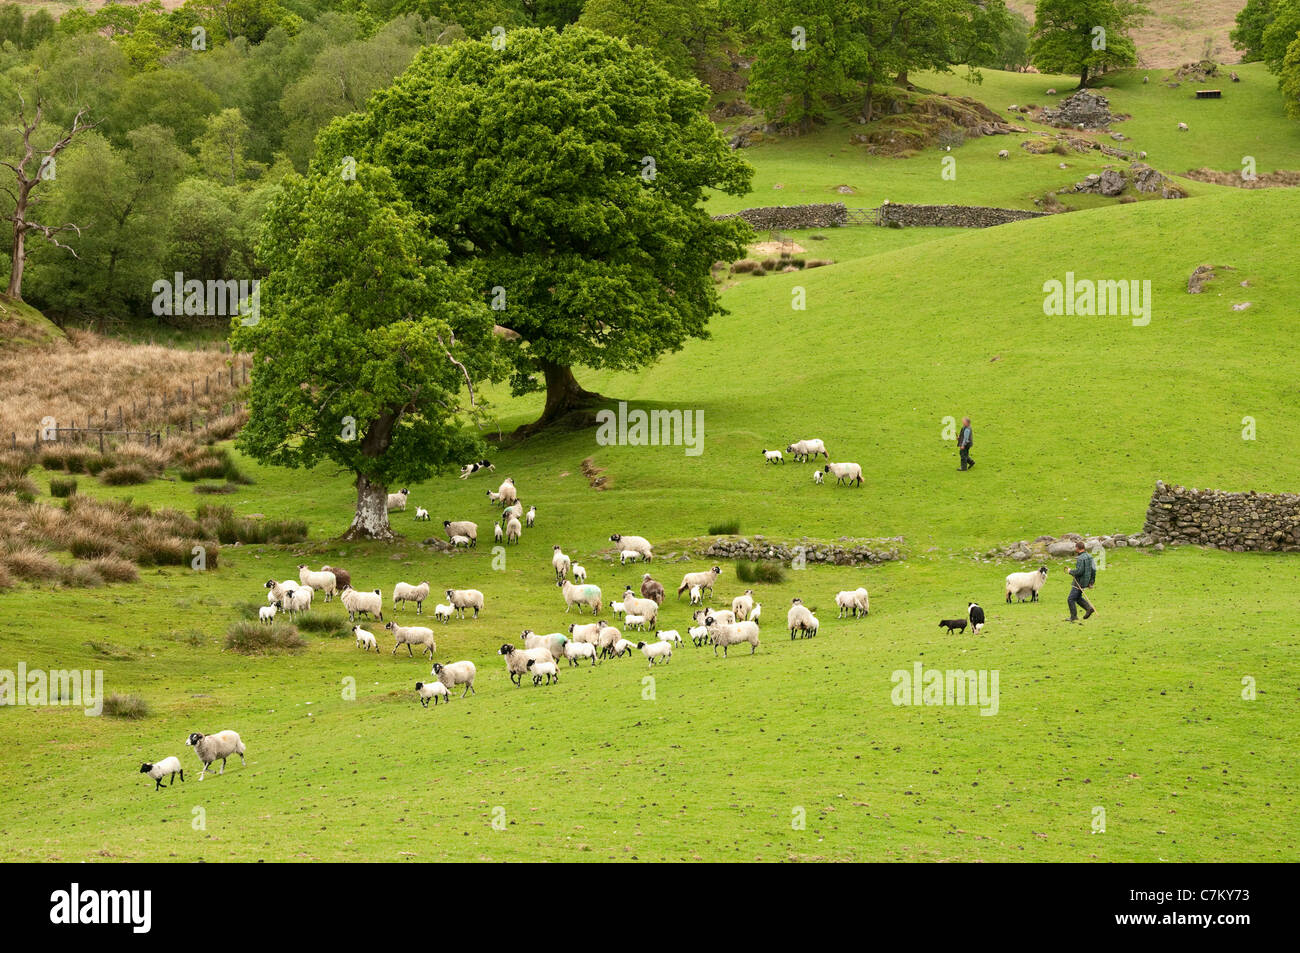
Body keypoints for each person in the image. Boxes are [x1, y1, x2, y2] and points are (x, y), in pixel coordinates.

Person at [1066, 541, 1096, 622]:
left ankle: (1073, 617)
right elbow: (1093, 570)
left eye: (1075, 548)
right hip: (1086, 581)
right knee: (1078, 598)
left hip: (1079, 582)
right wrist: (1091, 582)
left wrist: (1070, 571)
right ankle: (1089, 609)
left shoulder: (1080, 558)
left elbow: (1079, 571)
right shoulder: (1090, 557)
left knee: (1070, 599)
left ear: (1077, 548)